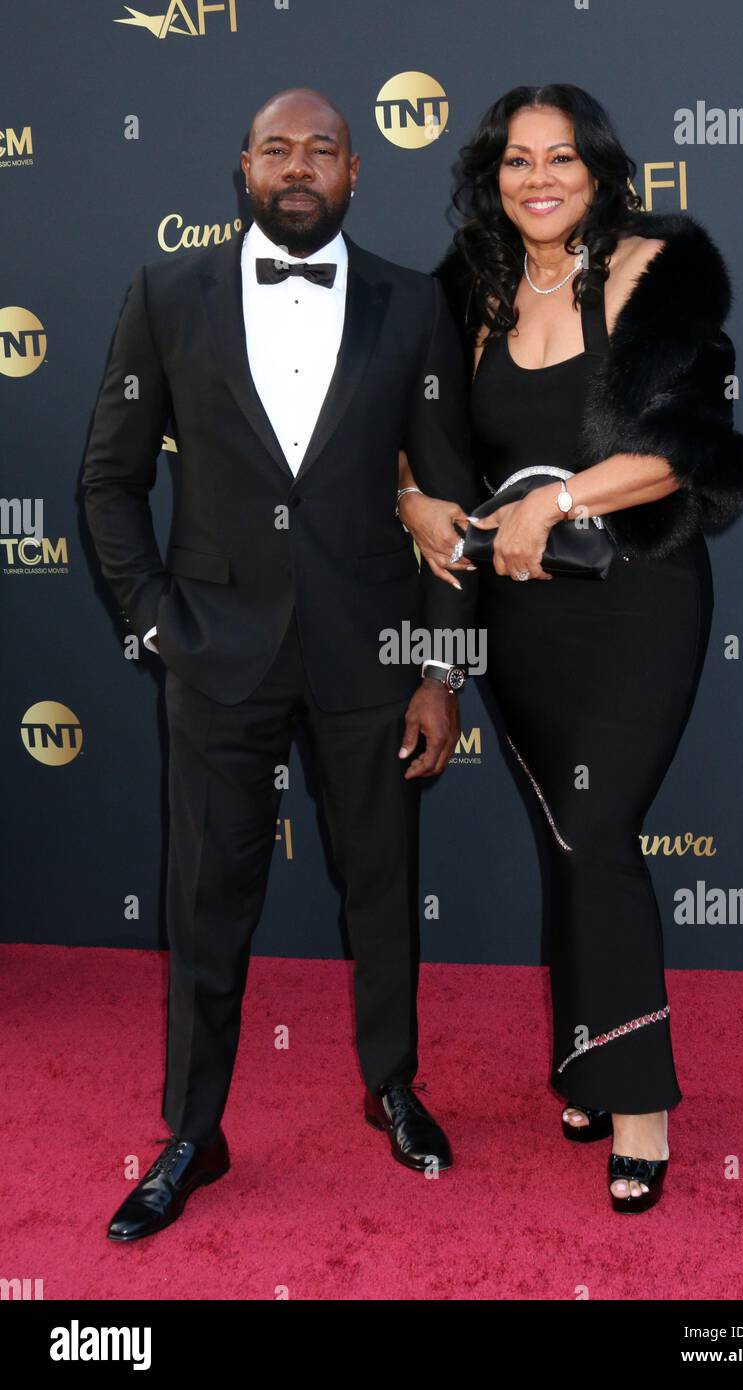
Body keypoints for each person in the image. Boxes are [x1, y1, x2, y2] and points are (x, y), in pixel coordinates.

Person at [81, 87, 480, 1242]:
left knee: (382, 888)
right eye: (274, 149)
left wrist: (441, 671)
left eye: (319, 150)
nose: (295, 167)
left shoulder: (413, 305)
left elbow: (449, 508)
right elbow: (108, 480)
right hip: (217, 655)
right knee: (206, 901)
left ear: (356, 170)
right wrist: (155, 621)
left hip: (372, 654)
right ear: (240, 169)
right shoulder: (167, 295)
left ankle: (392, 1085)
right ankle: (193, 1135)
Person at [396, 84, 743, 1212]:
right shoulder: (468, 287)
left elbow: (683, 447)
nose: (536, 177)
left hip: (638, 596)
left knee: (597, 827)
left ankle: (637, 1100)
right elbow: (424, 438)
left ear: (598, 171)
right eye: (516, 159)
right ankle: (589, 1064)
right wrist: (410, 498)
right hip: (518, 619)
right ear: (489, 173)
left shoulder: (657, 268)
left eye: (560, 158)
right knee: (565, 838)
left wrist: (551, 506)